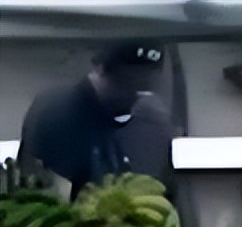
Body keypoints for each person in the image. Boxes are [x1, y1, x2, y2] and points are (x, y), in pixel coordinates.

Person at [18, 42, 176, 202]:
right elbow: (48, 195)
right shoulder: (58, 112)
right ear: (100, 69)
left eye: (144, 85)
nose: (133, 94)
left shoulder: (147, 120)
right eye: (125, 82)